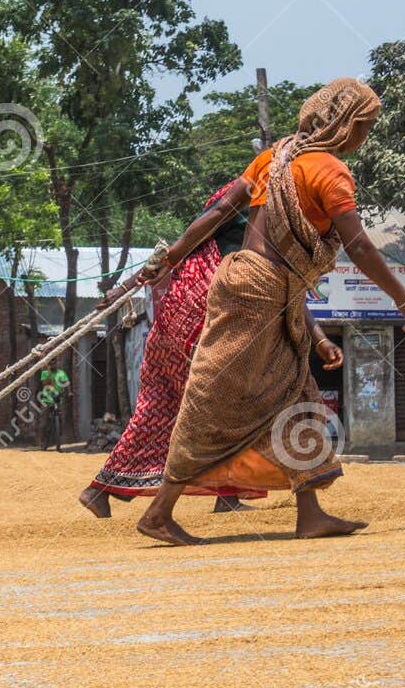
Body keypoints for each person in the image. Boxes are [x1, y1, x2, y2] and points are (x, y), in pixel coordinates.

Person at [133, 78, 405, 546]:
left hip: (255, 284)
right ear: (344, 124)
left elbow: (217, 215)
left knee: (298, 394)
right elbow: (359, 246)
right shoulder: (330, 172)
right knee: (214, 395)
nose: (363, 136)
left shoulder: (274, 159)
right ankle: (159, 512)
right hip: (259, 291)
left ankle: (310, 512)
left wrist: (171, 257)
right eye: (364, 126)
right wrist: (403, 298)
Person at [79, 184, 339, 517]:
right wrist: (127, 286)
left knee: (167, 405)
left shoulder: (271, 210)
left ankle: (105, 489)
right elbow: (210, 235)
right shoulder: (262, 198)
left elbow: (284, 283)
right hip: (207, 313)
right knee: (226, 402)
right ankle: (175, 504)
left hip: (181, 310)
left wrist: (318, 338)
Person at [38, 360, 71, 450]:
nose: (53, 365)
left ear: (57, 363)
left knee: (60, 418)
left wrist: (69, 392)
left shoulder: (61, 373)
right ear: (48, 365)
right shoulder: (45, 373)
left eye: (54, 363)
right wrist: (48, 371)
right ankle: (41, 442)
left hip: (57, 398)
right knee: (43, 422)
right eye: (50, 364)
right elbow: (45, 384)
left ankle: (58, 440)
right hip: (47, 399)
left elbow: (67, 382)